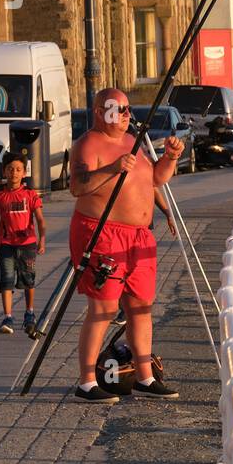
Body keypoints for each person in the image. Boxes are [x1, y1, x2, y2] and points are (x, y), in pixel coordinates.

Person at [68, 88, 184, 403]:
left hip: (139, 237)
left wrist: (171, 157)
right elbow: (78, 186)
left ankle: (144, 376)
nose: (125, 114)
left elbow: (155, 179)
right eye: (117, 109)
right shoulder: (87, 145)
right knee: (103, 308)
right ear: (98, 111)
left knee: (140, 306)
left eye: (127, 109)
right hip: (101, 233)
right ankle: (87, 381)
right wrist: (111, 169)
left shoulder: (132, 142)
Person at [0, 155, 46, 334]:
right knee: (6, 280)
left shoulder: (30, 195)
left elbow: (40, 220)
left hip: (27, 244)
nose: (14, 173)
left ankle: (30, 313)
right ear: (4, 171)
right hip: (6, 244)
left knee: (28, 280)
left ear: (24, 173)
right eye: (10, 169)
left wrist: (42, 239)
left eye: (18, 169)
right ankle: (8, 317)